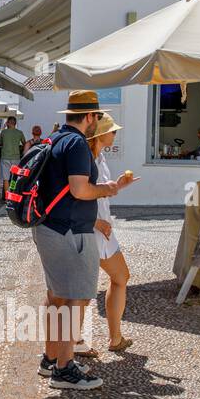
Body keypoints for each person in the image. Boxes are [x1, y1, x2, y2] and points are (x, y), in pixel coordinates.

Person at [32, 91, 136, 391]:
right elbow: (80, 190)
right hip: (71, 231)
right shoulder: (77, 143)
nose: (99, 122)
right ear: (89, 117)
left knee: (57, 296)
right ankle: (64, 369)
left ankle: (50, 359)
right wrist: (109, 189)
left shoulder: (54, 139)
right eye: (97, 117)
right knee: (77, 297)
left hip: (47, 227)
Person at [88, 114, 135, 354]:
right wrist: (96, 221)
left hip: (101, 230)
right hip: (91, 230)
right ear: (99, 134)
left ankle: (115, 338)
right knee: (81, 291)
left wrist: (118, 185)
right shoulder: (87, 160)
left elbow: (101, 192)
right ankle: (74, 344)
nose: (115, 134)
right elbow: (77, 195)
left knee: (120, 277)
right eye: (112, 130)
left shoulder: (100, 157)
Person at [0, 116, 26, 195]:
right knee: (14, 178)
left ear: (8, 123)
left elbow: (1, 142)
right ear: (15, 123)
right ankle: (13, 194)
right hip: (16, 158)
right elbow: (25, 143)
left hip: (5, 157)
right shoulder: (20, 132)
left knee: (6, 179)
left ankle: (7, 197)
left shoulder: (3, 132)